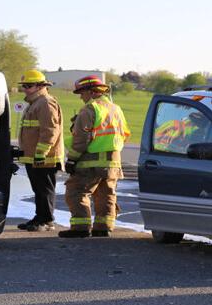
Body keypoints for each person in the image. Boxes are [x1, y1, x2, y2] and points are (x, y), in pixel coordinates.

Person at [60, 75, 130, 239]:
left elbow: (81, 139)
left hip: (90, 161)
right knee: (105, 193)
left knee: (76, 191)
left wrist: (72, 159)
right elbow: (125, 134)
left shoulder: (90, 109)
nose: (80, 97)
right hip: (113, 161)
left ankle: (80, 227)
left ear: (91, 92)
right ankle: (103, 227)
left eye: (82, 93)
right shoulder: (116, 108)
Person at [16, 70, 64, 232]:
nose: (25, 89)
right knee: (38, 189)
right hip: (34, 157)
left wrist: (41, 153)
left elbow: (50, 130)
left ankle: (46, 220)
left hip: (44, 157)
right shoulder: (36, 103)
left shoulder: (45, 103)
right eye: (24, 86)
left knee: (44, 189)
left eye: (28, 86)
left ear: (40, 86)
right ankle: (40, 217)